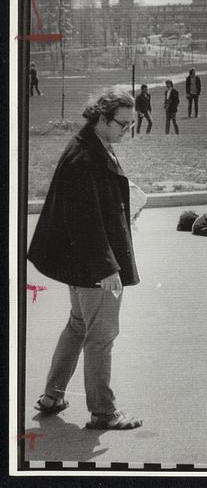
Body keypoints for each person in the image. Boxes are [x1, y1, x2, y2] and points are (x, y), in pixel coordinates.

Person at [28, 87, 143, 430]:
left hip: (83, 262)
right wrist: (107, 268)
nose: (128, 131)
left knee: (79, 326)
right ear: (102, 118)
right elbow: (85, 221)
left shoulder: (91, 146)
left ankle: (53, 395)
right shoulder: (85, 158)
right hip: (94, 265)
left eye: (132, 125)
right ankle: (103, 412)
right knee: (101, 336)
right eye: (123, 124)